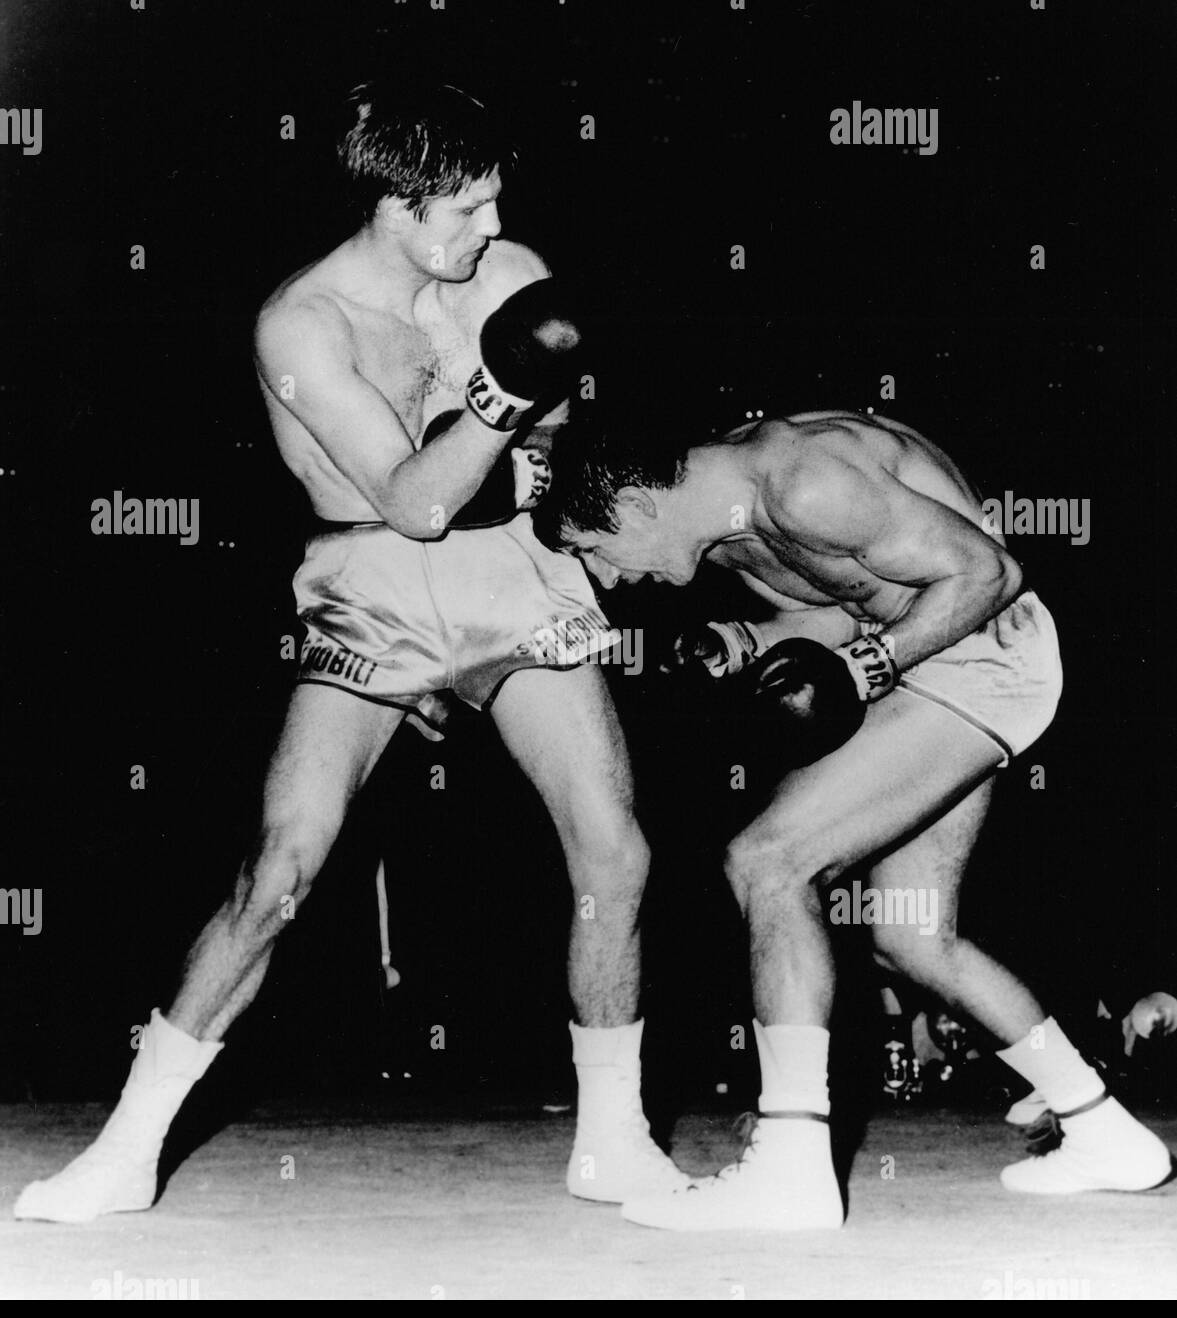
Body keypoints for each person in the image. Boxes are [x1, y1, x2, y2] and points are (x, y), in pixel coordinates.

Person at [14, 81, 685, 1224]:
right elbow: (415, 504)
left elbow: (552, 442)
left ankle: (612, 1143)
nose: (490, 227)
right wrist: (496, 393)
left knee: (614, 852)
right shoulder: (303, 324)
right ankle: (124, 1151)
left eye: (494, 201)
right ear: (395, 201)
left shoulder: (510, 273)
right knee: (285, 865)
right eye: (466, 207)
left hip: (511, 575)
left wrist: (534, 442)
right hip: (372, 582)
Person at [534, 408, 1173, 1230]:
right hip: (940, 663)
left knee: (770, 861)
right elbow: (865, 596)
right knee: (911, 934)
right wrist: (746, 638)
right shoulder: (728, 516)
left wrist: (866, 667)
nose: (607, 579)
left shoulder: (803, 478)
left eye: (593, 549)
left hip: (980, 656)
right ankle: (1103, 1133)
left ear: (633, 507)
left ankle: (792, 1166)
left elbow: (988, 574)